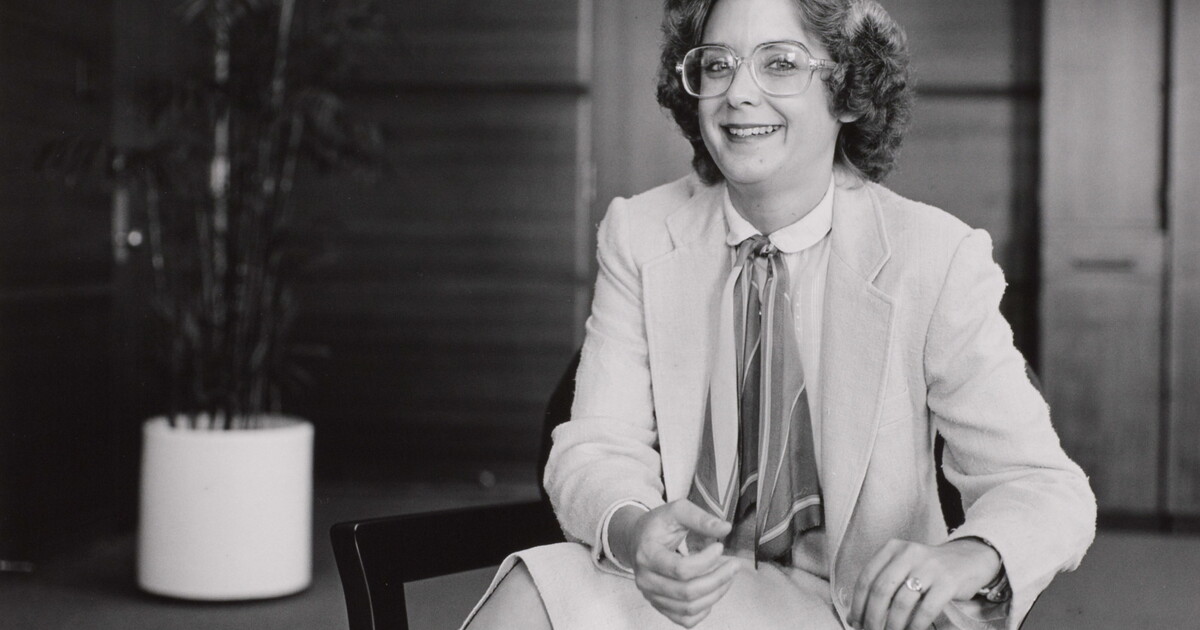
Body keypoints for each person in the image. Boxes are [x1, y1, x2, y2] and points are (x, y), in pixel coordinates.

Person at [463, 0, 1096, 628]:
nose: (738, 94)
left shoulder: (935, 257)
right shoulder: (641, 233)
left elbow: (1044, 486)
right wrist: (635, 533)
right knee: (529, 590)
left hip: (856, 611)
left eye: (781, 63)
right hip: (694, 592)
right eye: (717, 66)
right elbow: (595, 446)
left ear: (848, 91)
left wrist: (968, 553)